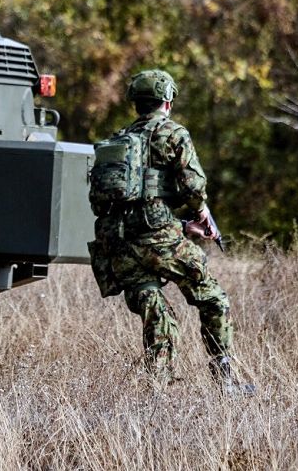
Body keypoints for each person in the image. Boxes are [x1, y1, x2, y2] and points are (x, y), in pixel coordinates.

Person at [88, 69, 245, 391]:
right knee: (213, 300)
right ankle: (225, 379)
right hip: (157, 238)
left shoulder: (117, 140)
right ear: (168, 100)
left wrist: (183, 227)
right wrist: (201, 215)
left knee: (156, 311)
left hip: (118, 243)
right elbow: (192, 187)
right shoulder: (173, 133)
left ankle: (158, 391)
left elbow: (128, 201)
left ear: (135, 103)